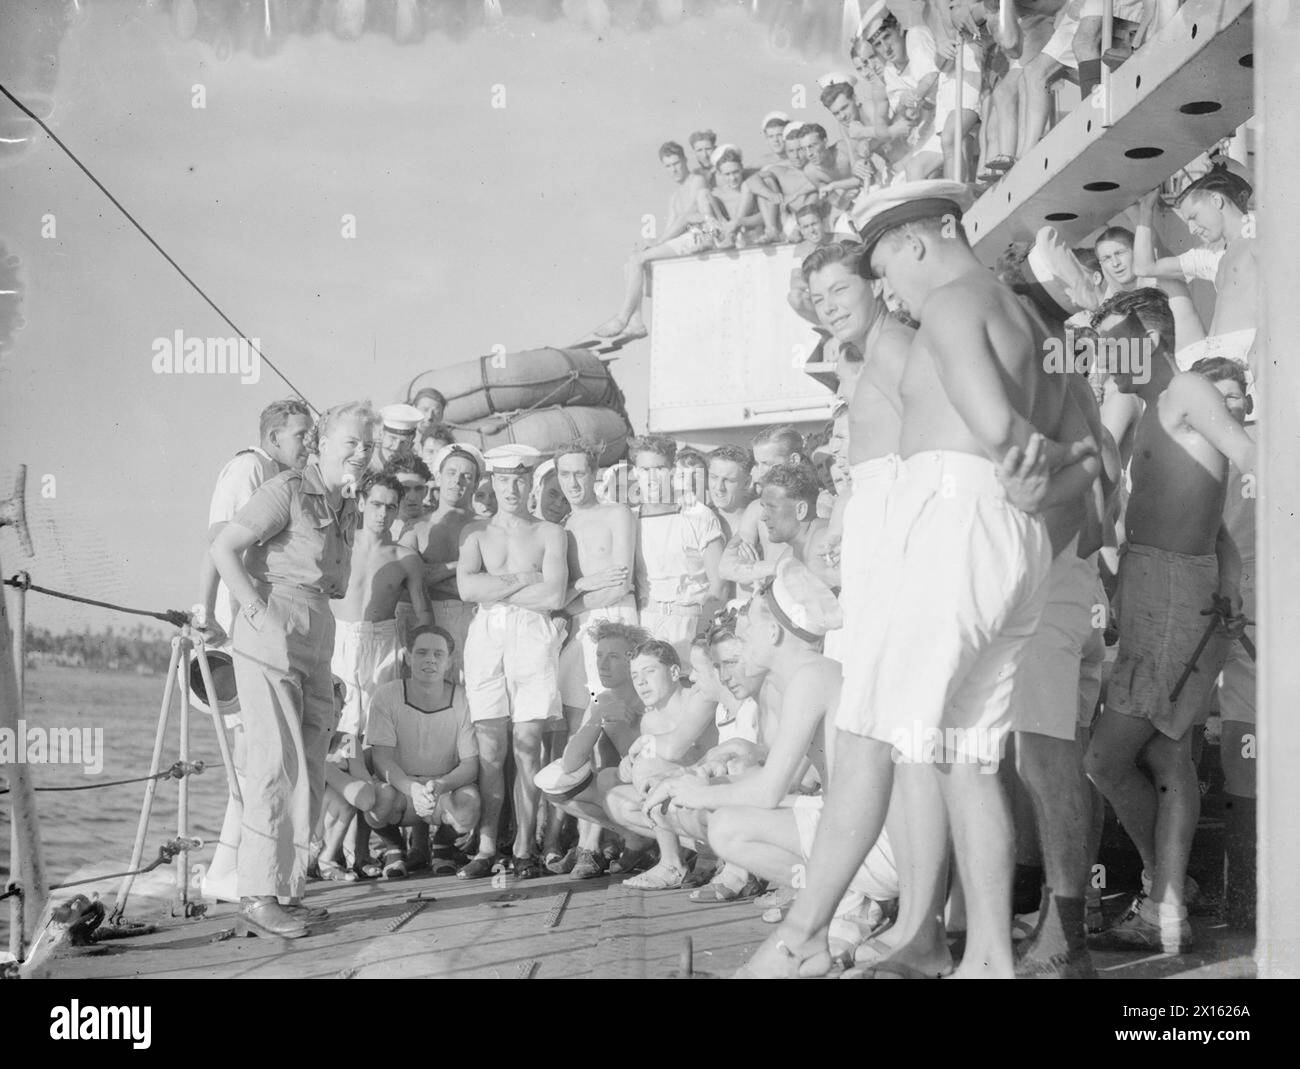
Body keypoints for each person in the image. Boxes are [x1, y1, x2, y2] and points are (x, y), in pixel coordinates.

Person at [742, 181, 1099, 978]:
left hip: (951, 520)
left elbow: (994, 426)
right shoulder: (1034, 320)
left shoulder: (947, 305)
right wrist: (1038, 481)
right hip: (1014, 541)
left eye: (882, 268)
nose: (888, 291)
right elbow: (1086, 460)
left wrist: (1015, 456)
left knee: (872, 734)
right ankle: (990, 963)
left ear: (917, 241)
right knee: (966, 754)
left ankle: (798, 942)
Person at [1084, 289, 1256, 954]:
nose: (1101, 358)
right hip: (1151, 585)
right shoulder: (1143, 402)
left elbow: (1244, 456)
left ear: (1147, 336)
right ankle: (1168, 905)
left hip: (1172, 591)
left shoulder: (1186, 389)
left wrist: (1238, 567)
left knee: (1106, 756)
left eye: (1111, 343)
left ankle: (1165, 892)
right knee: (1167, 751)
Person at [648, 560, 899, 954]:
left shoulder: (811, 678)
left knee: (727, 829)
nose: (741, 643)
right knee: (726, 820)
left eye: (746, 633)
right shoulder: (813, 674)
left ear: (771, 633)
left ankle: (848, 905)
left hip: (877, 845)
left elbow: (768, 792)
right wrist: (706, 779)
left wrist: (695, 793)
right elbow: (787, 776)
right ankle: (848, 903)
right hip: (866, 834)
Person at [210, 400, 375, 938]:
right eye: (351, 442)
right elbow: (224, 547)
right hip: (274, 628)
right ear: (322, 443)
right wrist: (255, 611)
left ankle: (284, 889)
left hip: (317, 630)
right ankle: (256, 895)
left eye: (367, 445)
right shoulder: (284, 490)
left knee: (309, 763)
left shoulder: (346, 506)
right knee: (273, 764)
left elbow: (337, 584)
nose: (360, 452)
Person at [195, 397, 314, 903]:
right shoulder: (250, 469)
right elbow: (220, 543)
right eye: (301, 435)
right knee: (253, 753)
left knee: (261, 754)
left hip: (252, 626)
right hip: (236, 627)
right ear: (273, 439)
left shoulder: (276, 476)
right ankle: (227, 872)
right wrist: (209, 615)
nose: (309, 444)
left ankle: (238, 868)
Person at [455, 444, 568, 881]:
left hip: (533, 635)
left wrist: (493, 585)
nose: (513, 488)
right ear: (493, 483)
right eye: (504, 479)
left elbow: (554, 595)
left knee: (527, 745)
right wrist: (524, 578)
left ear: (531, 482)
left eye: (521, 479)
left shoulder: (549, 533)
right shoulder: (476, 533)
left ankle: (524, 844)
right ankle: (486, 845)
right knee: (490, 749)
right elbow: (466, 591)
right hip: (486, 638)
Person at [547, 439, 638, 870]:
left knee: (613, 726)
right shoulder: (563, 525)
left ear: (595, 474)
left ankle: (606, 842)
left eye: (579, 473)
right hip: (583, 627)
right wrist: (585, 585)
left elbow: (621, 584)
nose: (572, 482)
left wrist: (585, 591)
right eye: (564, 475)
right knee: (581, 728)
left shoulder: (616, 513)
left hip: (615, 621)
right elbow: (561, 598)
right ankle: (592, 838)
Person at [1190, 356, 1257, 930]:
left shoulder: (1267, 455)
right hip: (1200, 626)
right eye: (1216, 397)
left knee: (1248, 763)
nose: (1226, 406)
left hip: (1259, 633)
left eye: (1235, 396)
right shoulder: (1183, 461)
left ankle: (1248, 902)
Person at [599, 640, 718, 889]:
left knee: (646, 769)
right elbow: (652, 761)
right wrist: (629, 763)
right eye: (634, 675)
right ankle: (695, 853)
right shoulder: (650, 720)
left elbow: (676, 748)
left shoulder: (698, 697)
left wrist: (642, 750)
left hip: (716, 794)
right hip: (686, 801)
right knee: (615, 800)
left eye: (649, 671)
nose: (641, 682)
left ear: (675, 672)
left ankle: (675, 863)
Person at [363, 626, 481, 878]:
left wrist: (439, 785)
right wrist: (412, 789)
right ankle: (394, 849)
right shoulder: (387, 695)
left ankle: (442, 846)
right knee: (374, 800)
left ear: (449, 661)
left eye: (438, 654)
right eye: (422, 652)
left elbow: (470, 764)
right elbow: (381, 758)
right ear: (408, 657)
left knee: (469, 805)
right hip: (402, 791)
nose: (430, 659)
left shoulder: (463, 699)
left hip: (441, 790)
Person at [536, 620, 650, 879]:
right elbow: (570, 763)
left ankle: (594, 847)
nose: (602, 664)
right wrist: (597, 718)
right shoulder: (602, 698)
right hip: (630, 791)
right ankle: (623, 839)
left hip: (659, 790)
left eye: (613, 656)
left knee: (607, 775)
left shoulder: (650, 694)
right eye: (599, 655)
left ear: (632, 660)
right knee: (557, 783)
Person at [331, 472, 433, 745]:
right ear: (362, 503)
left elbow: (424, 612)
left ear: (397, 510)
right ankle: (337, 782)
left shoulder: (405, 558)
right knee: (335, 718)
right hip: (338, 636)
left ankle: (373, 781)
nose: (382, 513)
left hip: (383, 641)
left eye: (390, 507)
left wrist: (419, 655)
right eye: (376, 504)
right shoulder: (339, 543)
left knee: (377, 723)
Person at [1132, 171, 1258, 381]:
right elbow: (1145, 267)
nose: (1191, 229)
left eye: (1193, 217)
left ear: (1216, 200)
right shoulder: (1212, 255)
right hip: (1218, 360)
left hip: (1248, 359)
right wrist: (1146, 209)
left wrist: (1259, 353)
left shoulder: (1260, 232)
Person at [590, 142, 713, 341]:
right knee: (631, 263)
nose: (673, 169)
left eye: (676, 163)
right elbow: (672, 226)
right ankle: (636, 321)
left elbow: (688, 216)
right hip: (683, 240)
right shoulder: (674, 197)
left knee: (639, 259)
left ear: (684, 160)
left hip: (699, 235)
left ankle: (623, 318)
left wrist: (659, 244)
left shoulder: (697, 180)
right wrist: (654, 244)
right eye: (668, 166)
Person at [631, 434, 726, 660]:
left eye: (659, 469)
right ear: (635, 473)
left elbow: (719, 587)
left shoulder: (699, 515)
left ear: (673, 470)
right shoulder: (630, 519)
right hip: (646, 625)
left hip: (691, 624)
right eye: (644, 470)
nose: (652, 478)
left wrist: (702, 638)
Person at [401, 443, 485, 683]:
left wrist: (431, 575)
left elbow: (491, 582)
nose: (457, 481)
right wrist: (462, 567)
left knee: (471, 692)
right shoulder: (416, 527)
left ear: (476, 484)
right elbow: (410, 580)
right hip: (428, 619)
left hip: (474, 620)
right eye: (451, 473)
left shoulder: (488, 527)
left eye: (466, 476)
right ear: (438, 476)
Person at [1094, 225, 1204, 356]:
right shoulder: (1112, 298)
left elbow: (1155, 243)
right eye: (1107, 258)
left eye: (1120, 253)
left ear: (1136, 250)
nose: (1115, 263)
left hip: (1193, 355)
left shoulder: (1163, 278)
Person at [787, 203, 836, 325]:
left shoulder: (841, 239)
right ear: (801, 230)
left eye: (814, 224)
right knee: (795, 297)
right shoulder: (800, 249)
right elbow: (795, 282)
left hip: (842, 292)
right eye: (806, 227)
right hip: (821, 293)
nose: (811, 230)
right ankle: (829, 329)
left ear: (823, 222)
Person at [706, 444, 756, 542]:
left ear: (747, 483)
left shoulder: (762, 520)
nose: (719, 487)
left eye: (729, 480)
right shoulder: (699, 519)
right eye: (714, 477)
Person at [368, 402, 424, 476]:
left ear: (411, 443)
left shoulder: (415, 467)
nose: (396, 447)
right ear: (381, 435)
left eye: (403, 442)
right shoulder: (367, 462)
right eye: (393, 438)